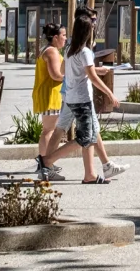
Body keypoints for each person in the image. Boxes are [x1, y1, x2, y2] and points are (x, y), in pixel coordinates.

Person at [43, 16, 127, 184]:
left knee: (90, 134)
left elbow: (65, 71)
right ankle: (47, 161)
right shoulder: (85, 52)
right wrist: (109, 93)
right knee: (85, 138)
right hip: (82, 99)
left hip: (71, 97)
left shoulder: (68, 50)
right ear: (88, 32)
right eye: (92, 29)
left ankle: (92, 173)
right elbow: (93, 77)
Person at [31, 23, 67, 181]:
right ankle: (46, 166)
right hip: (50, 94)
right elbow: (56, 75)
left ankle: (44, 164)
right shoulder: (51, 51)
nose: (65, 38)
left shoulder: (47, 49)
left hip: (47, 94)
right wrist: (73, 75)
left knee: (47, 130)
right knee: (49, 131)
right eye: (63, 35)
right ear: (55, 37)